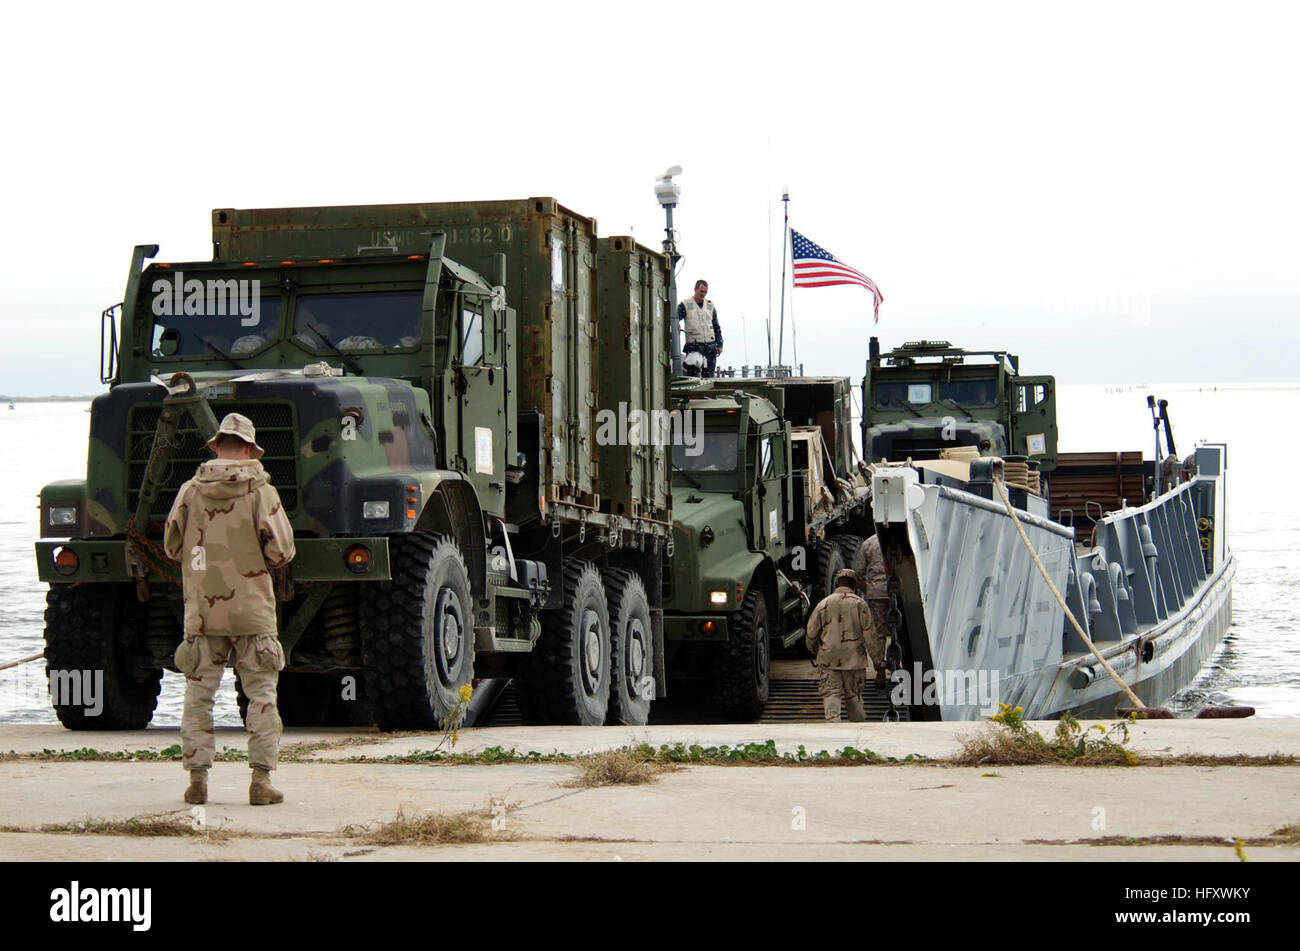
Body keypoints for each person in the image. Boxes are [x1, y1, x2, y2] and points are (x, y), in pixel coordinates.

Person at [164, 413, 296, 806]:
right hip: (252, 611)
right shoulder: (261, 491)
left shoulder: (190, 491)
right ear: (251, 449)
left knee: (198, 697)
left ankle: (198, 782)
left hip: (202, 613)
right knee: (261, 696)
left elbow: (172, 548)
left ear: (217, 445)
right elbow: (282, 551)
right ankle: (260, 781)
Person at [805, 568, 877, 721]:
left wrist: (815, 651)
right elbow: (871, 636)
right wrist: (879, 663)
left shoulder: (824, 603)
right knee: (855, 699)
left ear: (837, 583)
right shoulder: (860, 604)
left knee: (831, 697)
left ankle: (834, 732)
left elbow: (811, 632)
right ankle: (858, 733)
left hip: (829, 660)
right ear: (853, 585)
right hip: (854, 661)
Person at [677, 279, 723, 378]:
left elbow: (716, 326)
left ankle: (708, 394)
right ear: (695, 289)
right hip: (694, 346)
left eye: (705, 292)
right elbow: (674, 318)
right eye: (701, 291)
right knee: (692, 377)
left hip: (710, 347)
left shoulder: (710, 305)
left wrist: (719, 344)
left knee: (709, 377)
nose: (703, 294)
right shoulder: (685, 304)